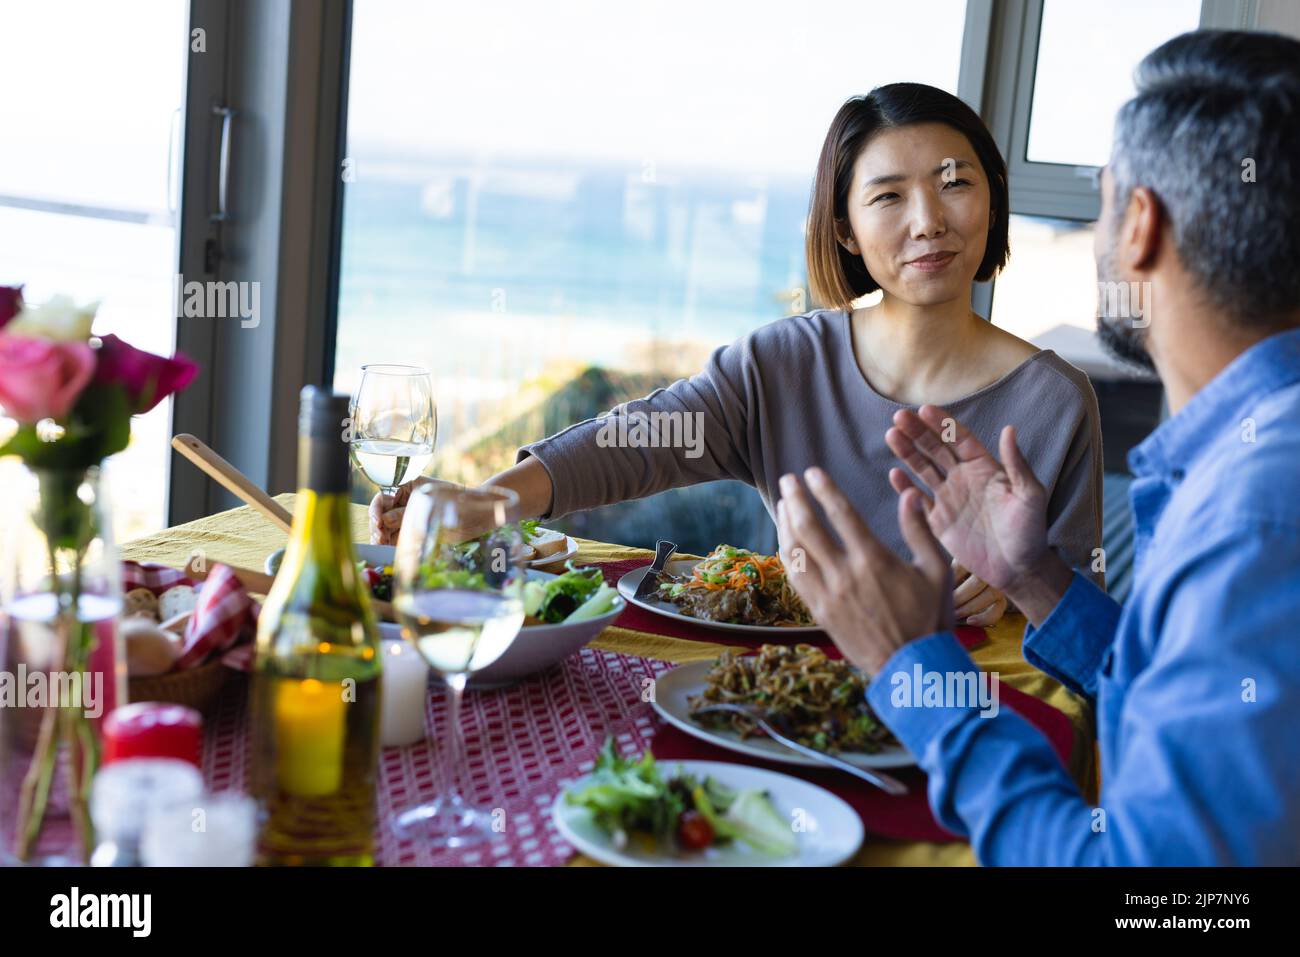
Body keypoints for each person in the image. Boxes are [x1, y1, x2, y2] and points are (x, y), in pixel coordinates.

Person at [775, 29, 1300, 864]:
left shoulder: (1257, 516)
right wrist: (1039, 580)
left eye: (1100, 206)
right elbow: (1181, 694)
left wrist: (915, 665)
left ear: (1138, 224)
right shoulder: (1255, 457)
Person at [373, 83, 1105, 628]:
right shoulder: (784, 364)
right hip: (780, 698)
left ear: (992, 199)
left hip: (967, 722)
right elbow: (641, 439)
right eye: (888, 197)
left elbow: (1083, 623)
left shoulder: (1056, 403)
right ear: (846, 230)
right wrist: (490, 501)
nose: (928, 221)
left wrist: (1022, 585)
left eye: (955, 183)